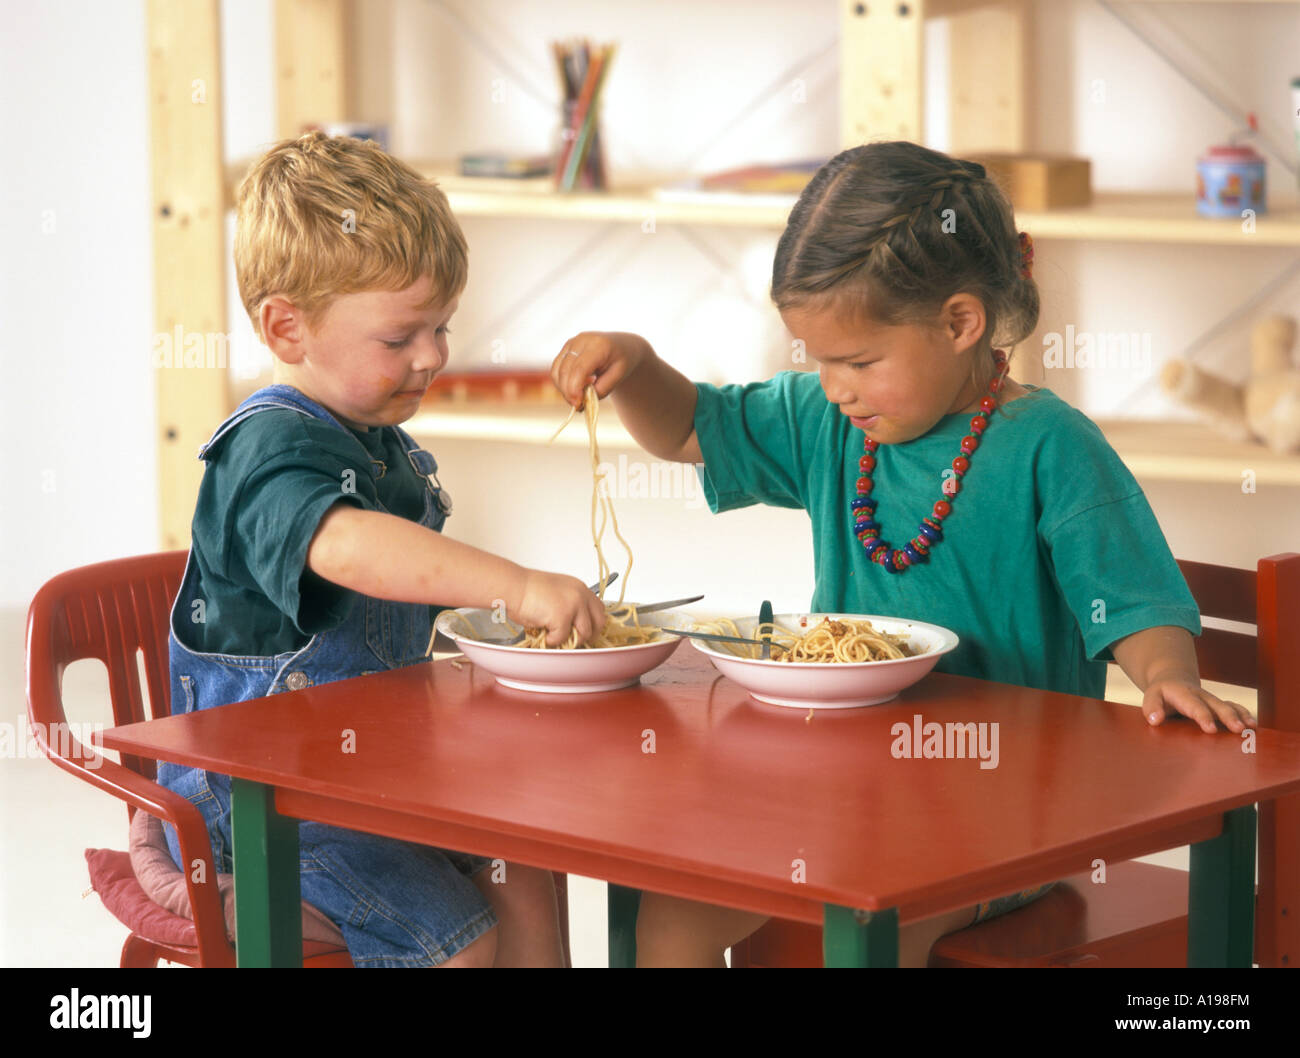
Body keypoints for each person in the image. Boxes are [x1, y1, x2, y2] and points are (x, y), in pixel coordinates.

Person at [549, 140, 1256, 968]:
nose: (835, 385)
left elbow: (1131, 597)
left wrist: (1167, 677)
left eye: (858, 361)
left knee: (874, 919)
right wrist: (635, 366)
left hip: (1007, 819)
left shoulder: (1048, 446)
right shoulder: (827, 420)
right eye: (816, 359)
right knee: (673, 914)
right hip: (842, 795)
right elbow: (686, 428)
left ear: (961, 323)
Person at [158, 130, 606, 967]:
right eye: (400, 339)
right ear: (287, 329)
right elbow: (346, 547)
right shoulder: (266, 450)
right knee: (457, 939)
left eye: (441, 327)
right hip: (258, 793)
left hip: (366, 773)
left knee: (527, 873)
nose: (434, 356)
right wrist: (515, 584)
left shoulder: (379, 443)